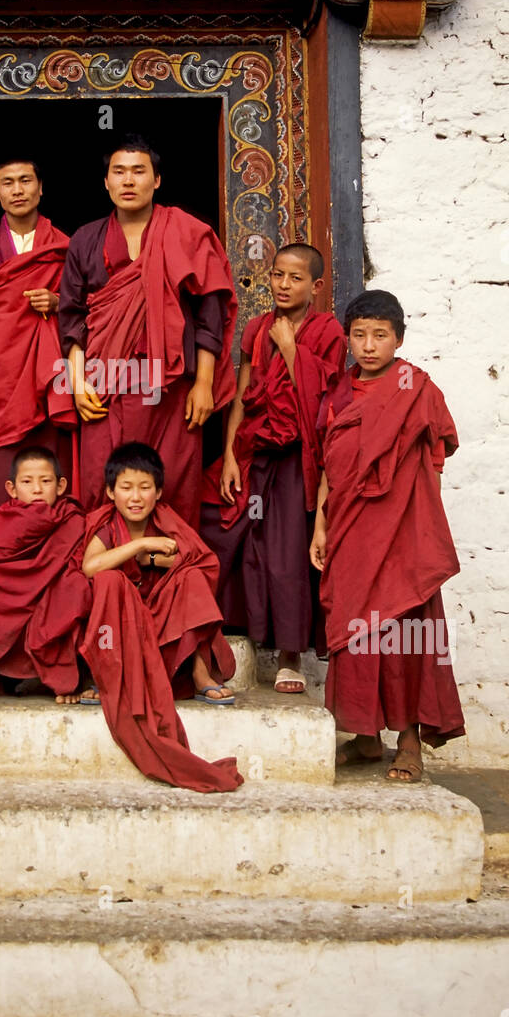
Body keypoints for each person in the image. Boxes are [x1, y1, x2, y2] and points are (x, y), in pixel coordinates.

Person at [310, 290, 465, 782]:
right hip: (351, 530)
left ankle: (410, 742)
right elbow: (329, 465)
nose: (369, 345)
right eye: (359, 335)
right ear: (348, 338)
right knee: (355, 630)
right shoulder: (339, 392)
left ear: (399, 338)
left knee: (404, 634)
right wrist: (320, 523)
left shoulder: (415, 387)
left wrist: (420, 530)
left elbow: (435, 456)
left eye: (380, 335)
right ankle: (364, 736)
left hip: (402, 536)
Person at [58, 135, 237, 524]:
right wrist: (76, 380)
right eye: (118, 172)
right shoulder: (86, 239)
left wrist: (204, 383)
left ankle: (173, 575)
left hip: (170, 387)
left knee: (172, 482)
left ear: (157, 180)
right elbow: (71, 316)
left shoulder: (186, 232)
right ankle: (107, 573)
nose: (128, 181)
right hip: (104, 383)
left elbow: (210, 311)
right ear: (105, 181)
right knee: (99, 480)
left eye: (139, 171)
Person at [200, 244, 346, 694]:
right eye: (278, 275)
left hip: (298, 456)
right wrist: (228, 456)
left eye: (295, 278)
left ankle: (289, 655)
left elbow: (325, 402)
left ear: (316, 286)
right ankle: (231, 631)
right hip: (255, 450)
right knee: (219, 525)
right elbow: (244, 394)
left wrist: (290, 352)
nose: (283, 285)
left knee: (286, 553)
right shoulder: (259, 328)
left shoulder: (329, 333)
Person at [79, 443, 243, 793]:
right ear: (110, 492)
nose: (135, 497)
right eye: (125, 488)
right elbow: (90, 566)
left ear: (159, 492)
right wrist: (140, 547)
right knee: (108, 581)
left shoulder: (165, 520)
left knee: (192, 578)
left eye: (144, 487)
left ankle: (199, 672)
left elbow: (195, 560)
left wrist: (151, 559)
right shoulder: (106, 525)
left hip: (158, 622)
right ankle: (104, 674)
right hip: (121, 628)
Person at [0, 157, 76, 526]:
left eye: (25, 181)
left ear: (41, 188)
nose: (18, 190)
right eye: (8, 183)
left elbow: (92, 314)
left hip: (47, 383)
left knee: (51, 483)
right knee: (0, 483)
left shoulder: (67, 248)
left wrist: (59, 304)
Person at [0, 446, 90, 705]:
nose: (36, 489)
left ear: (61, 485)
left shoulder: (71, 517)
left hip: (52, 583)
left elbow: (77, 559)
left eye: (45, 481)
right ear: (12, 489)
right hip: (12, 584)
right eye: (27, 482)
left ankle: (62, 678)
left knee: (75, 587)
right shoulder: (7, 515)